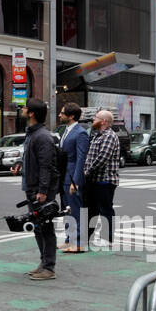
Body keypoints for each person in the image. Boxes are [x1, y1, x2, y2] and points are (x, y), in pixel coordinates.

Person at [11, 99, 60, 280]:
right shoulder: (32, 134)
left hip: (40, 190)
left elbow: (46, 166)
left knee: (45, 227)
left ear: (31, 113)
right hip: (33, 187)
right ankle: (44, 263)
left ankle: (49, 267)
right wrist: (19, 164)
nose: (22, 110)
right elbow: (34, 159)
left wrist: (43, 191)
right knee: (38, 227)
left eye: (25, 108)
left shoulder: (42, 136)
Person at [83, 108, 121, 248]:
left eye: (96, 117)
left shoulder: (109, 136)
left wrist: (86, 172)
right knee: (92, 210)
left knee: (105, 210)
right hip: (96, 180)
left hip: (104, 180)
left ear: (103, 121)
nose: (94, 119)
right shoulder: (98, 135)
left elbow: (102, 159)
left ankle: (107, 238)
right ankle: (86, 238)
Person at [58, 101, 89, 252]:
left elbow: (81, 158)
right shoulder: (66, 130)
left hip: (72, 177)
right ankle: (69, 239)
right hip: (64, 175)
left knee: (76, 210)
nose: (59, 115)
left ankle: (79, 243)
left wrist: (75, 181)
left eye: (62, 113)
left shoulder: (81, 133)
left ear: (71, 116)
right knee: (67, 210)